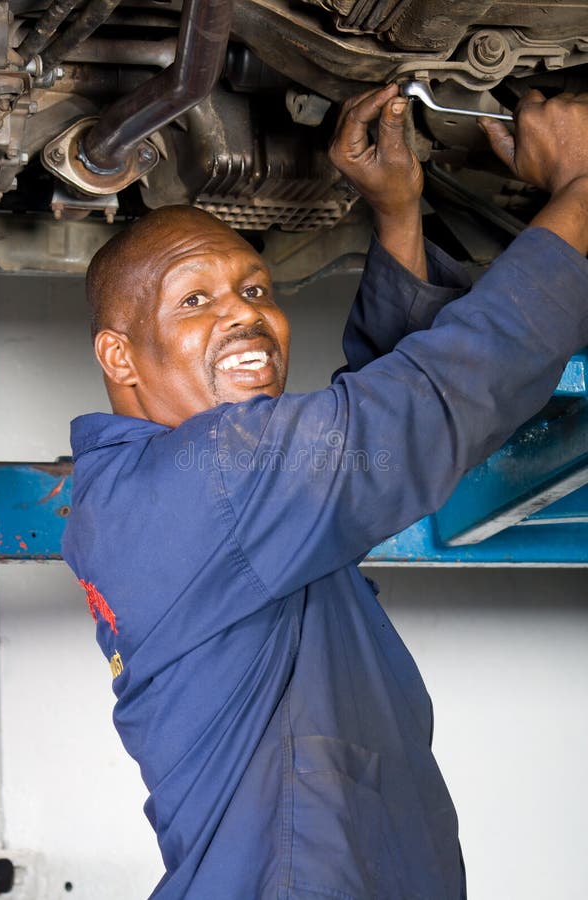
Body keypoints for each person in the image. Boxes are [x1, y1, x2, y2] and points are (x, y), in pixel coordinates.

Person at [62, 84, 588, 899]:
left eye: (256, 289)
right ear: (119, 357)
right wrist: (579, 187)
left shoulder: (175, 496)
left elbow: (378, 420)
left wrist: (398, 214)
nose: (244, 316)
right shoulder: (200, 483)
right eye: (195, 299)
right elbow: (426, 407)